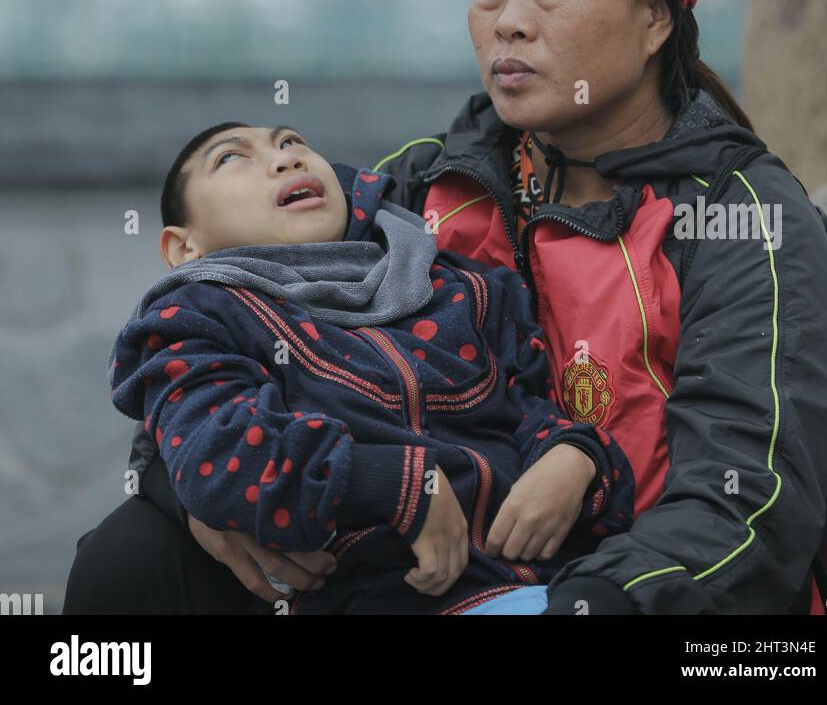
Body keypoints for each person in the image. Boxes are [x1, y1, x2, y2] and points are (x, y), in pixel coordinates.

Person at [65, 0, 827, 616]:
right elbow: (210, 349)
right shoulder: (426, 186)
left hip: (625, 596)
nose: (508, 21)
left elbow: (745, 513)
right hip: (413, 571)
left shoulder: (744, 223)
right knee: (133, 559)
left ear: (655, 19)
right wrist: (194, 495)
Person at [91, 122, 634, 616]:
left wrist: (576, 457)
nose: (286, 160)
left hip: (551, 587)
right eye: (231, 159)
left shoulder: (459, 288)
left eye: (292, 142)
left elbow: (531, 409)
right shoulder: (199, 319)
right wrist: (397, 484)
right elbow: (220, 454)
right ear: (184, 246)